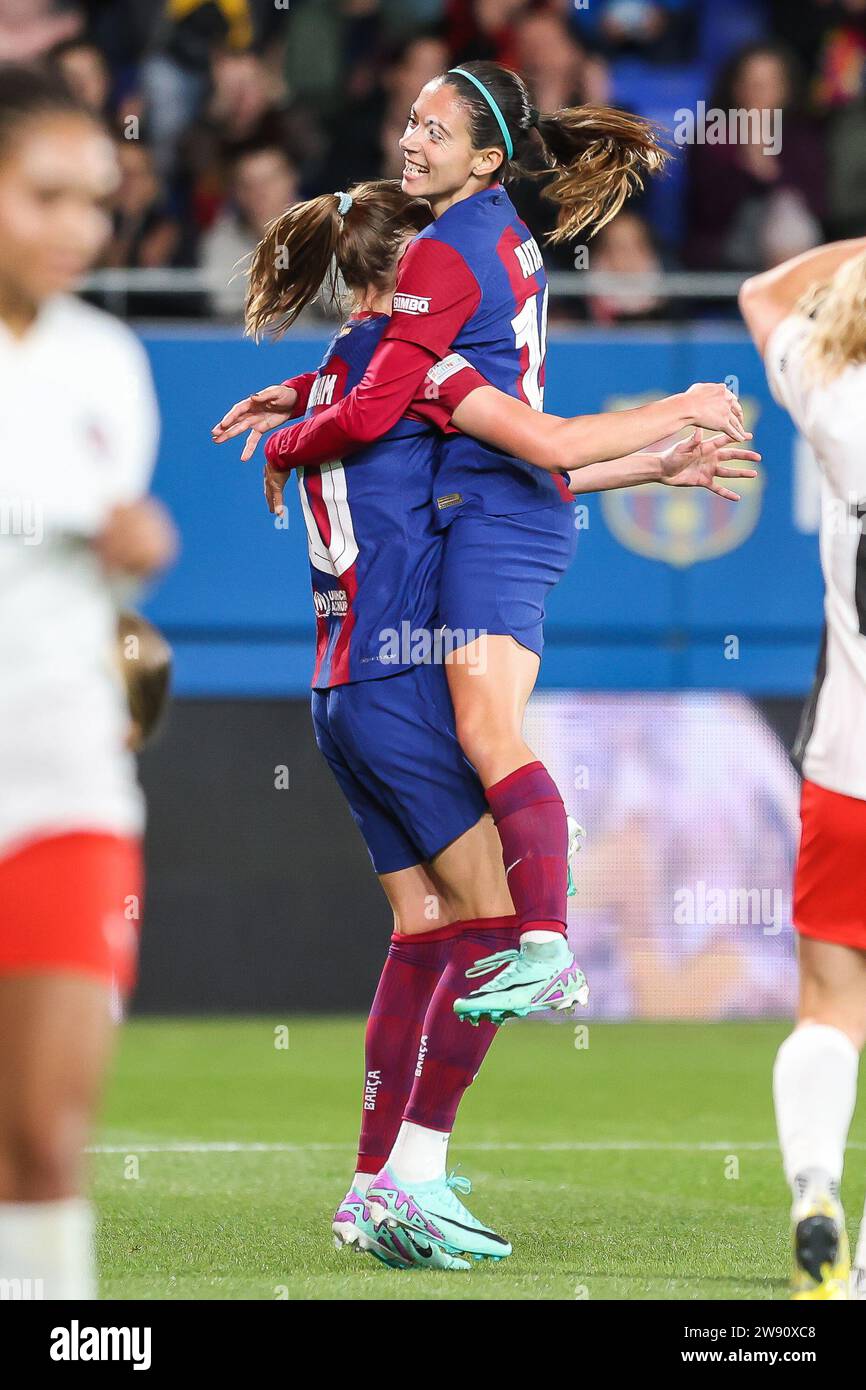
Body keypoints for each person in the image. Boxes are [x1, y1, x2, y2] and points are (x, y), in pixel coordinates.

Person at [215, 180, 757, 1266]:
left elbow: (501, 476)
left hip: (340, 694)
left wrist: (648, 469)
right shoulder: (415, 365)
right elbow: (542, 445)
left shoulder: (337, 374)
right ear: (407, 268)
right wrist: (674, 411)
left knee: (422, 934)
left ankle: (370, 1187)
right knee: (499, 931)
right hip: (398, 686)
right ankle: (412, 1171)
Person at [0, 64, 175, 1299]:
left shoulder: (108, 357)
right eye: (43, 195)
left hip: (62, 776)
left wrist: (138, 561)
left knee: (46, 1144)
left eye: (97, 202)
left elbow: (112, 570)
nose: (77, 227)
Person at [739, 236, 866, 1299]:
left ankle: (813, 1182)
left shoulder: (831, 395)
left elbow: (760, 292)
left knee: (827, 1005)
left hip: (845, 762)